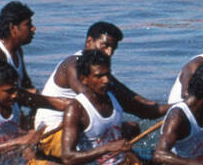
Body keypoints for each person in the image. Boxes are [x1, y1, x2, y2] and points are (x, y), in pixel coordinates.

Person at [34, 21, 165, 157]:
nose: (109, 53)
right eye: (105, 46)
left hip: (81, 128)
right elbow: (90, 101)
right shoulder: (73, 65)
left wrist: (178, 106)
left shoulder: (100, 71)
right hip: (54, 131)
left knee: (132, 128)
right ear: (89, 41)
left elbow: (134, 101)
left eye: (113, 49)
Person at [55, 49, 163, 165]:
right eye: (99, 76)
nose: (106, 80)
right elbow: (68, 158)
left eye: (108, 74)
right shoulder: (76, 110)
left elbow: (145, 110)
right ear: (84, 79)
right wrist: (108, 148)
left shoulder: (113, 96)